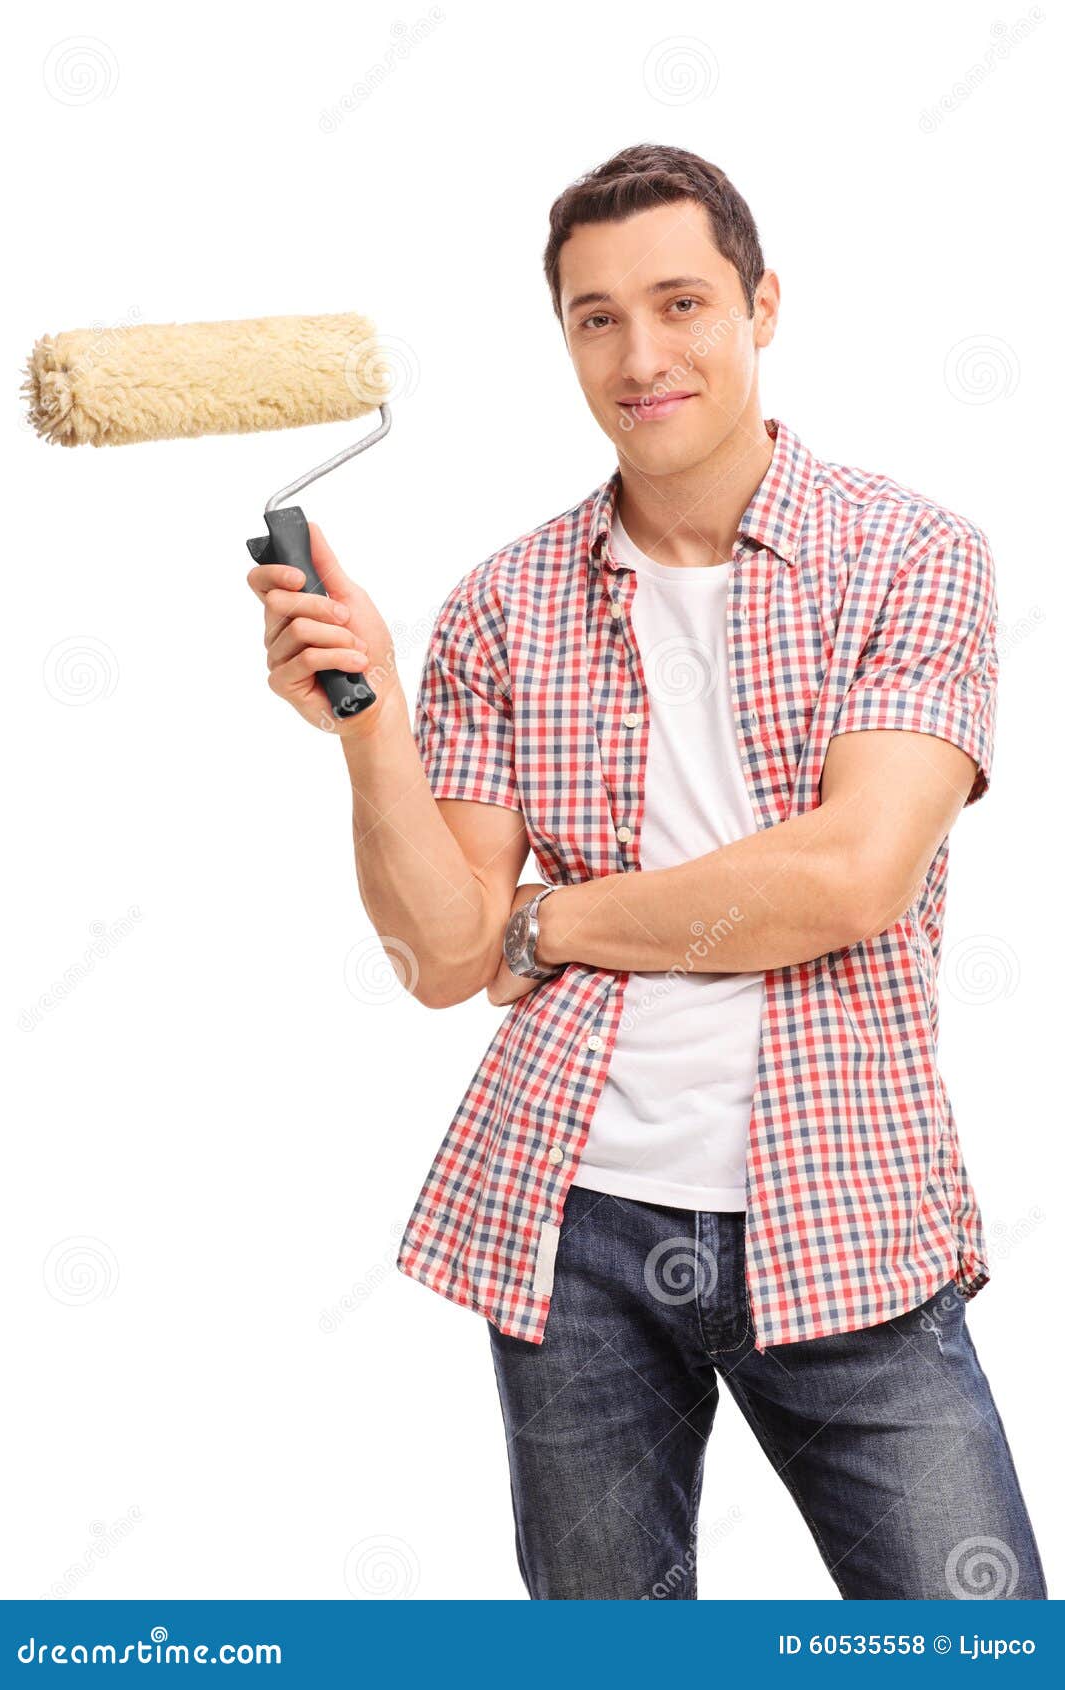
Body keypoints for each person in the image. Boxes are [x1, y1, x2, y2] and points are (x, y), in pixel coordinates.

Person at [246, 143, 1046, 1601]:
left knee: (974, 1635)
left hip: (851, 1204)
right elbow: (443, 960)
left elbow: (854, 873)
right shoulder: (503, 600)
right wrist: (371, 727)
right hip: (579, 1220)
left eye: (681, 302)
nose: (642, 352)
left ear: (762, 306)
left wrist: (546, 922)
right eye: (596, 317)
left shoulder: (913, 554)